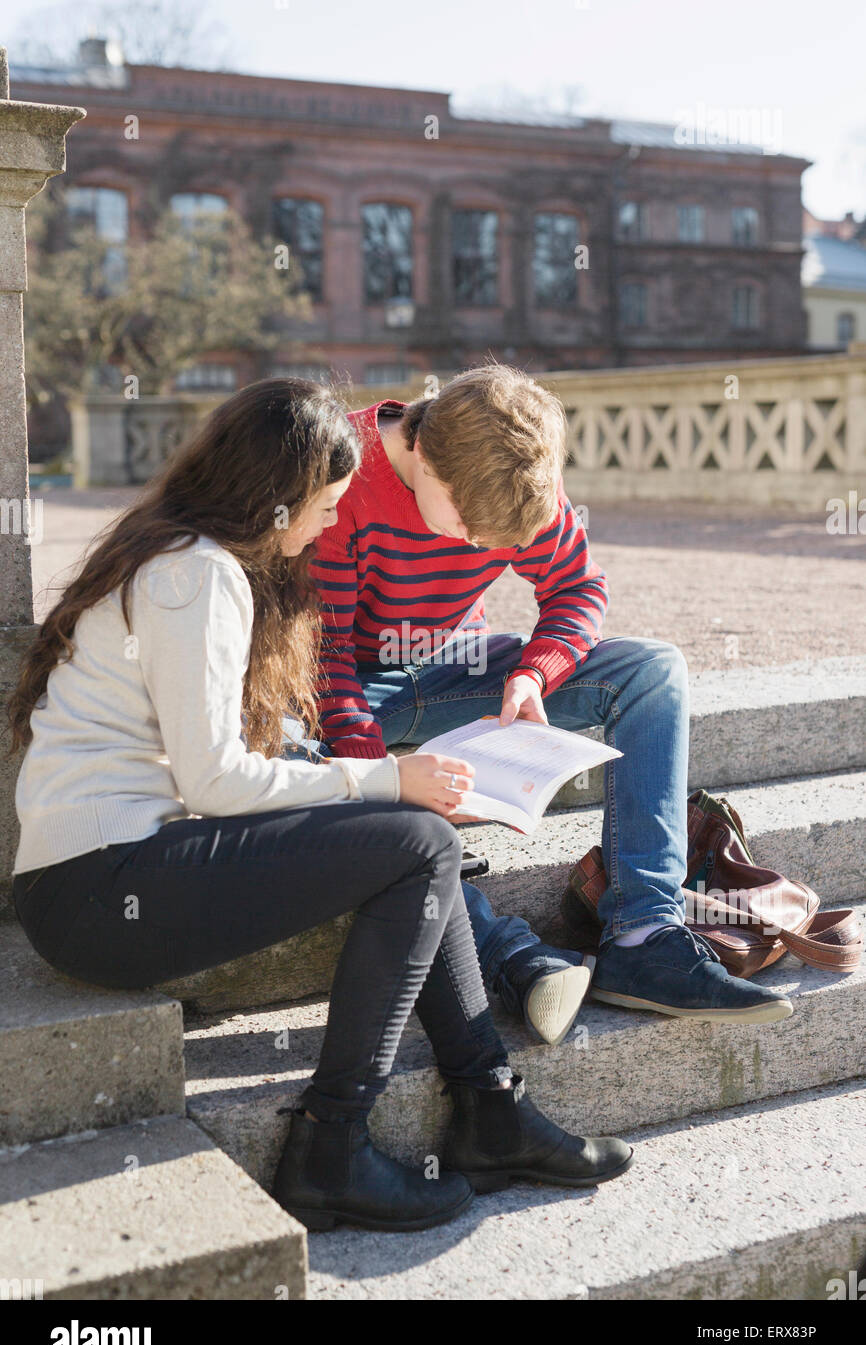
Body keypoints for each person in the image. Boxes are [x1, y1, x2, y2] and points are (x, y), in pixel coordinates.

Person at [7, 378, 633, 1235]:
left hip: (124, 868)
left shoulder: (190, 557)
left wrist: (376, 789)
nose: (330, 527)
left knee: (416, 843)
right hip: (97, 892)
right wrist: (384, 780)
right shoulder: (195, 577)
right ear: (275, 501)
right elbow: (216, 784)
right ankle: (335, 1146)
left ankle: (489, 1112)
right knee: (416, 840)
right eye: (325, 505)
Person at [309, 365, 794, 1040]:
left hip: (462, 667)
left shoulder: (514, 466)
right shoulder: (341, 473)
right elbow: (322, 660)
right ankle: (509, 953)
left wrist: (534, 673)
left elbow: (576, 592)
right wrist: (386, 779)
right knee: (288, 755)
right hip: (354, 682)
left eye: (494, 542)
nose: (477, 548)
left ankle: (643, 936)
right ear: (422, 452)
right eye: (468, 527)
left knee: (654, 669)